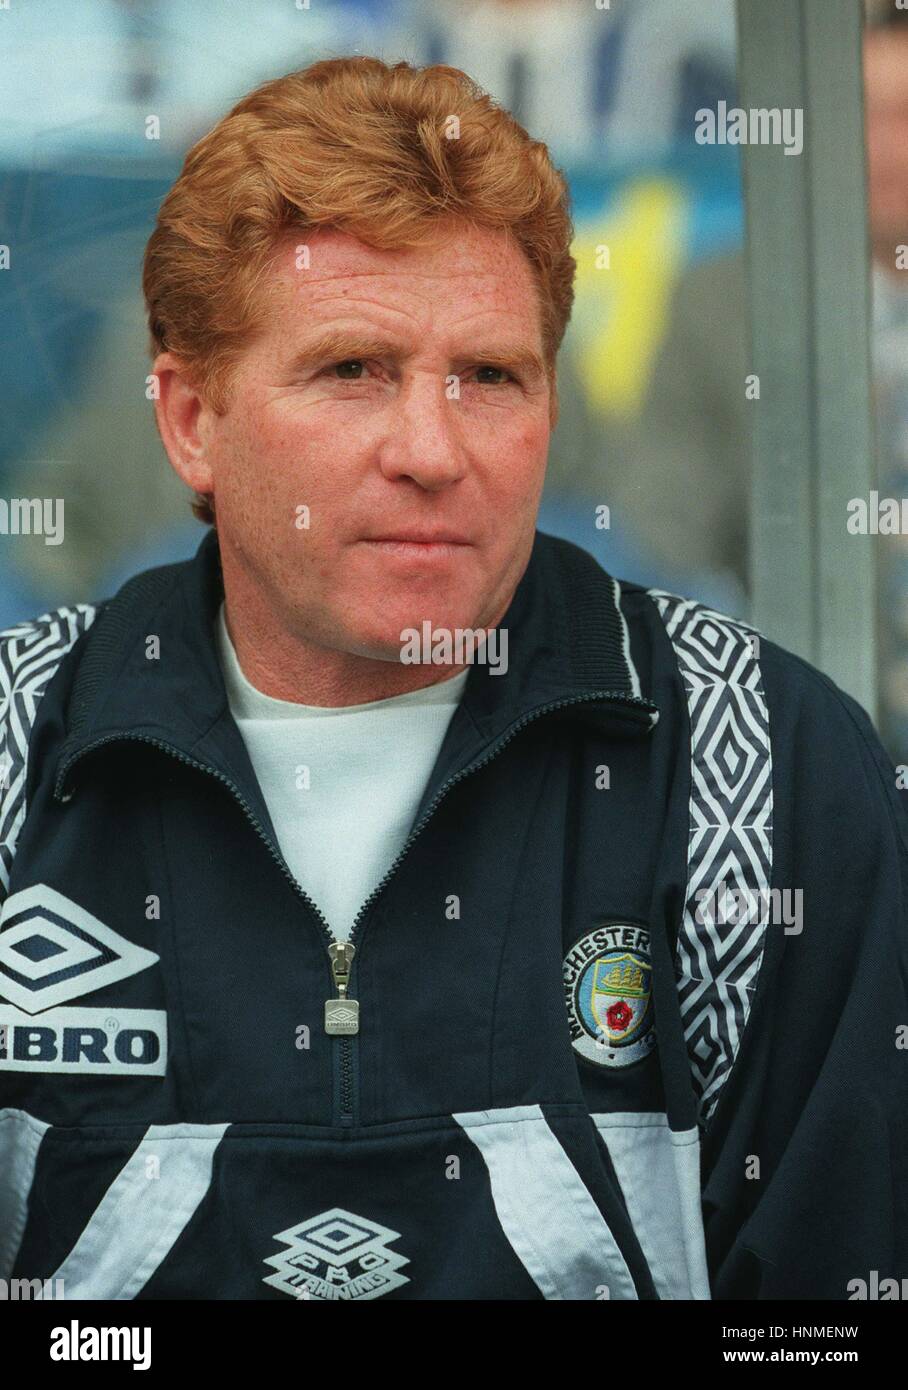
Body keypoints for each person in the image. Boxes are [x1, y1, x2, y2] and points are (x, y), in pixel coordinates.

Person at [0, 56, 905, 1302]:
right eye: (351, 371)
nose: (432, 451)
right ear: (190, 421)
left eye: (489, 377)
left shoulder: (771, 765)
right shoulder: (13, 753)